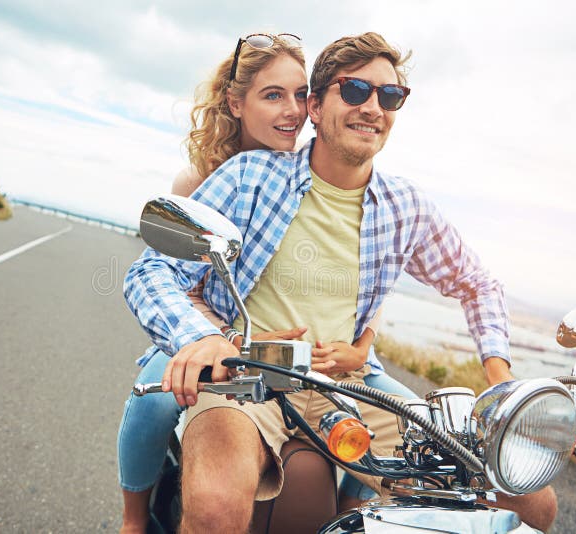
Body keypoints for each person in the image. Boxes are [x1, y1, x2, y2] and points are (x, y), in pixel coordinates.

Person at [124, 31, 558, 533]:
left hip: (350, 386)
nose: (373, 106)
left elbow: (477, 283)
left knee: (529, 501)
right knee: (217, 506)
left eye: (389, 96)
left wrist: (500, 377)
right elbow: (152, 269)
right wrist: (204, 340)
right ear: (314, 105)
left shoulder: (406, 207)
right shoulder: (249, 176)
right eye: (355, 91)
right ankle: (135, 518)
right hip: (247, 376)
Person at [117, 32, 409, 533]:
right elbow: (182, 283)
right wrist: (233, 340)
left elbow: (364, 274)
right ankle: (133, 517)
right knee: (159, 396)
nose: (292, 111)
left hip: (311, 354)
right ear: (236, 102)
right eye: (273, 95)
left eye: (299, 96)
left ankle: (351, 513)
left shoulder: (313, 177)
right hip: (215, 331)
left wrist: (363, 344)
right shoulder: (204, 181)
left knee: (407, 421)